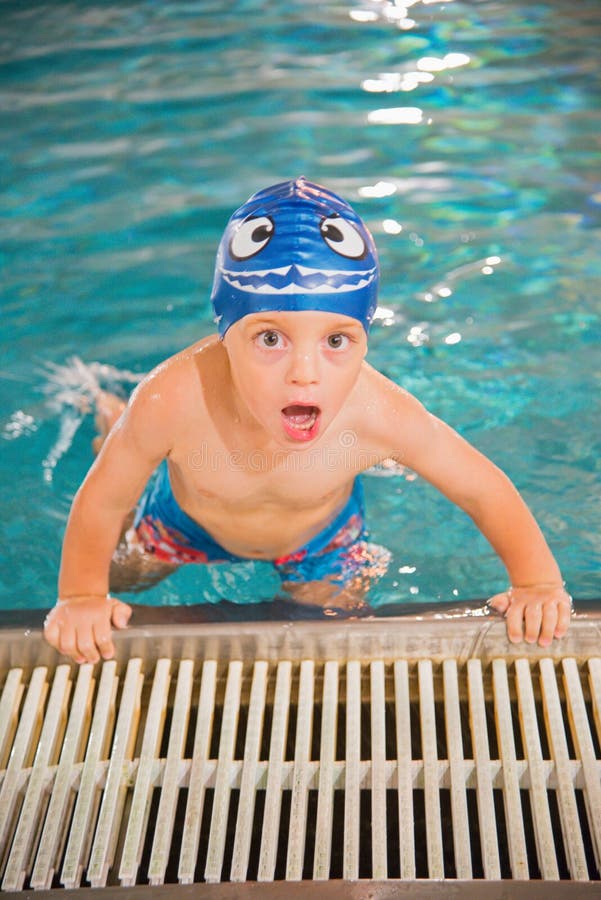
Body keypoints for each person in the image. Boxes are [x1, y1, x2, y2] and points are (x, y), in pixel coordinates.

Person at [44, 177, 572, 664]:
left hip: (322, 541)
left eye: (336, 341)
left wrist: (537, 583)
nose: (305, 374)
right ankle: (111, 418)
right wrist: (82, 596)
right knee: (119, 578)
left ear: (366, 338)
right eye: (270, 338)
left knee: (331, 634)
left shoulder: (379, 412)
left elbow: (483, 488)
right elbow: (105, 498)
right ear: (227, 332)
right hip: (184, 525)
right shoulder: (173, 398)